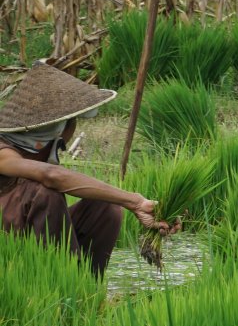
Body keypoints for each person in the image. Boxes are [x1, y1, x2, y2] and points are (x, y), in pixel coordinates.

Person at [0, 63, 176, 277]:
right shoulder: (4, 151)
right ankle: (61, 283)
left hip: (25, 237)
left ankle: (86, 290)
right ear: (59, 127)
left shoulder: (40, 149)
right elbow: (51, 176)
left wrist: (137, 207)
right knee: (45, 193)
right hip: (7, 246)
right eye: (72, 123)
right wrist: (135, 201)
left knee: (105, 207)